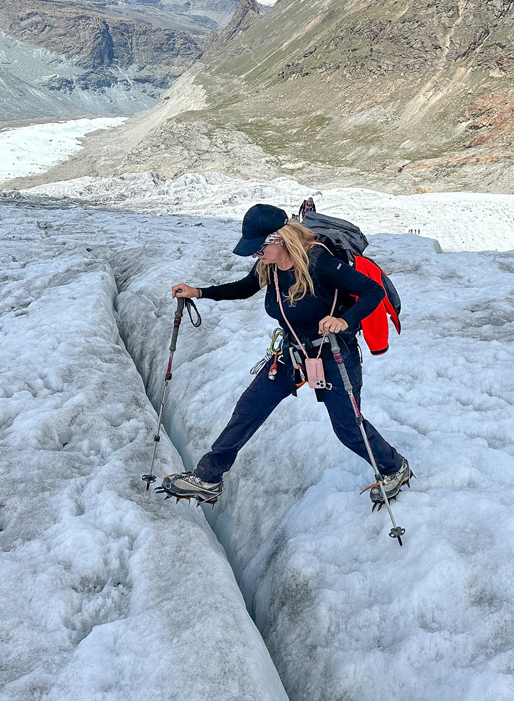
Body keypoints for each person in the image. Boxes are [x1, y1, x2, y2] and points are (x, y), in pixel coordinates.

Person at [164, 203, 411, 506]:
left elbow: (373, 291)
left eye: (259, 248)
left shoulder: (320, 262)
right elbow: (244, 288)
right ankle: (208, 478)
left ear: (278, 239)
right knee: (248, 410)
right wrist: (200, 292)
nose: (256, 255)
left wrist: (344, 321)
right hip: (291, 354)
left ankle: (394, 467)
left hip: (333, 352)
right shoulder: (269, 265)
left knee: (347, 426)